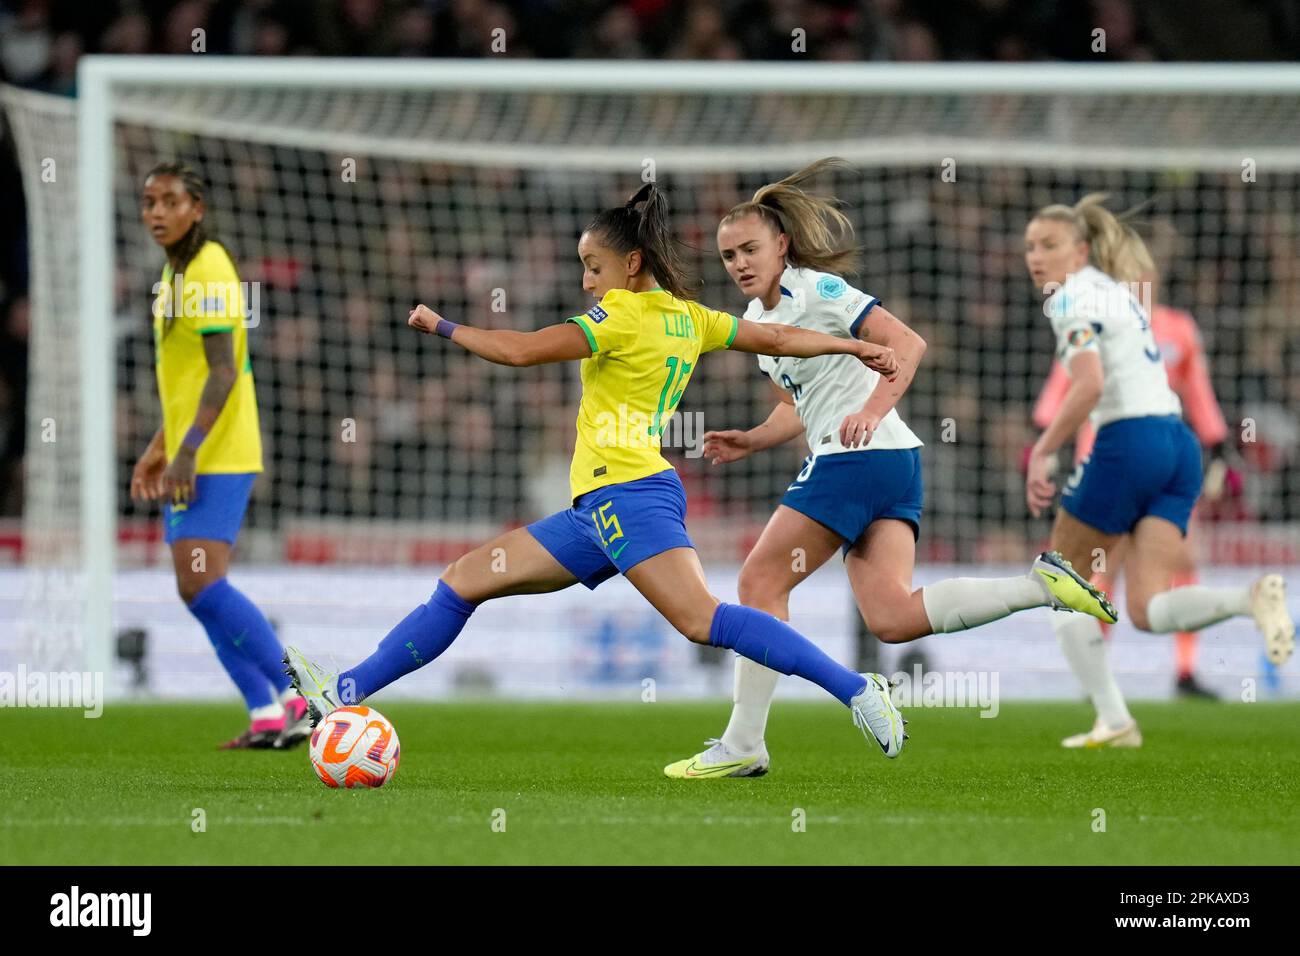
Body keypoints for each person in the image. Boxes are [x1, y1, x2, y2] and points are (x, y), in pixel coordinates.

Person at [285, 182, 911, 762]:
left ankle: (856, 689)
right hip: (597, 509)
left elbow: (524, 350)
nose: (587, 281)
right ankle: (345, 689)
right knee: (464, 581)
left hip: (629, 497)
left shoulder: (621, 318)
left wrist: (443, 325)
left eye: (594, 266)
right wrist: (850, 345)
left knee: (701, 620)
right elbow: (775, 338)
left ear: (631, 264)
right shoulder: (690, 317)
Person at [664, 159, 1117, 780]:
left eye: (750, 249)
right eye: (727, 256)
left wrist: (873, 410)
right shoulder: (757, 327)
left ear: (782, 246)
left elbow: (906, 344)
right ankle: (1041, 587)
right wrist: (752, 440)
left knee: (759, 585)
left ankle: (745, 742)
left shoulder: (819, 291)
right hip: (894, 463)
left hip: (860, 456)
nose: (739, 263)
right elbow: (801, 404)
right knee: (893, 617)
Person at [1023, 194, 1293, 748]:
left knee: (1057, 578)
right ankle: (1249, 600)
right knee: (1147, 607)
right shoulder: (1119, 295)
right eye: (1028, 246)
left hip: (1128, 441)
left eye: (1048, 245)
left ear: (1080, 250)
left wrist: (1045, 450)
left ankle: (1113, 718)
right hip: (1179, 445)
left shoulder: (1072, 297)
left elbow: (1090, 385)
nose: (1035, 256)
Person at [132, 162, 310, 750]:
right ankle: (265, 711)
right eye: (149, 201)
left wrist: (185, 453)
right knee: (194, 585)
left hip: (219, 451)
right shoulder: (174, 271)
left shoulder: (208, 267)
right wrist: (160, 448)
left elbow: (225, 372)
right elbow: (183, 382)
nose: (156, 212)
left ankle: (299, 697)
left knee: (203, 582)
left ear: (197, 209)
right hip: (193, 449)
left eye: (169, 201)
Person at [1033, 267, 1239, 698]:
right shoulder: (1092, 319)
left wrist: (1218, 445)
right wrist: (1046, 438)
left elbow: (1197, 390)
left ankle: (1185, 672)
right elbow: (1064, 384)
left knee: (1179, 563)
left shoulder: (1178, 329)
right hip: (1105, 454)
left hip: (1162, 457)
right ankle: (1097, 677)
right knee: (1100, 570)